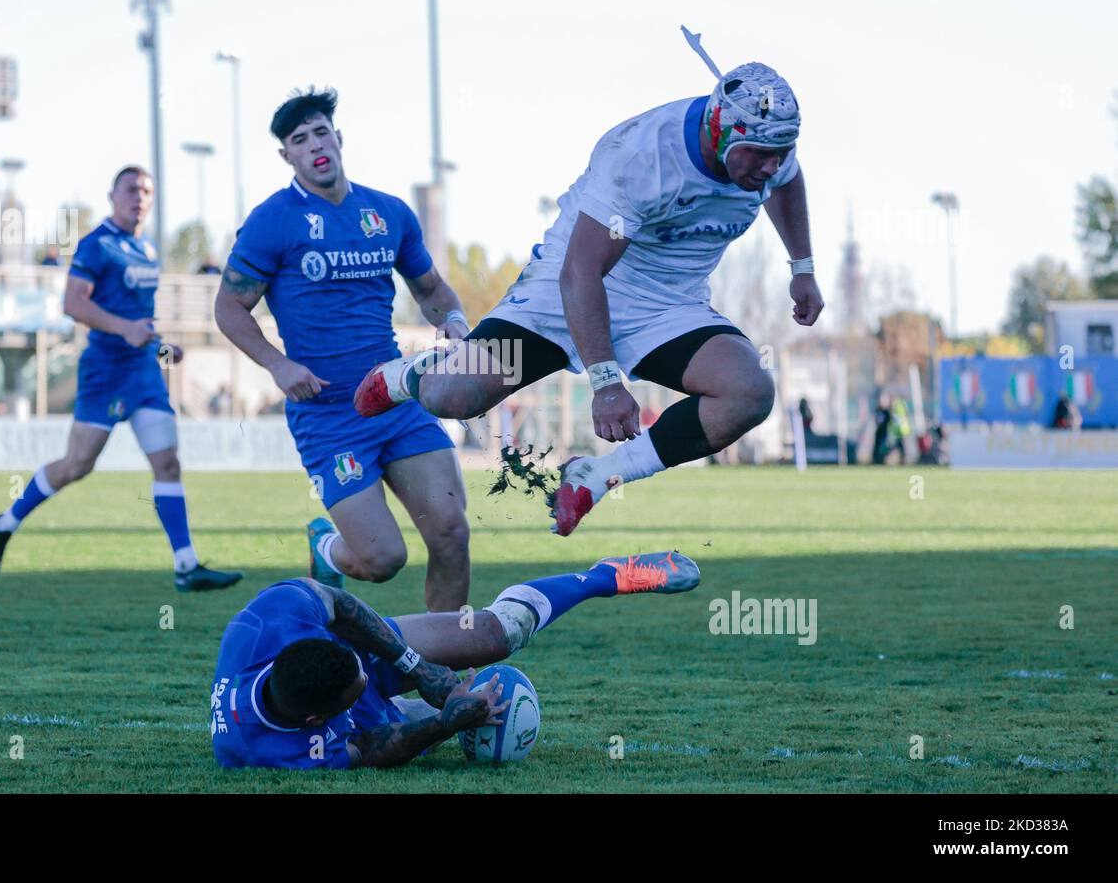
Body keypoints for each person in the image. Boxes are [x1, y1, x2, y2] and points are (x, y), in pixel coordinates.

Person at [356, 42, 822, 536]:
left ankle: (595, 477)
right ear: (720, 130)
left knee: (749, 392)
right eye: (763, 156)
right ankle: (421, 370)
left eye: (781, 154)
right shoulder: (643, 157)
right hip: (569, 290)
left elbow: (788, 182)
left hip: (666, 306)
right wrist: (605, 385)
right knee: (453, 395)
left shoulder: (765, 152)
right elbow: (582, 272)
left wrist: (803, 266)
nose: (772, 168)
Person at [215, 88, 473, 610]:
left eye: (320, 132)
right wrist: (278, 365)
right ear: (286, 155)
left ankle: (445, 671)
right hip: (328, 415)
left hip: (396, 399)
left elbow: (432, 292)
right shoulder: (273, 220)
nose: (314, 144)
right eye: (298, 139)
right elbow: (228, 309)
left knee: (451, 532)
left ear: (338, 139)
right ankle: (328, 550)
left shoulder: (388, 212)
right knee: (382, 561)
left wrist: (457, 324)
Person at [0, 165, 242, 592]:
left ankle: (185, 564)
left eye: (145, 190)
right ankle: (7, 521)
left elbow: (141, 324)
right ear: (112, 195)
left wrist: (162, 348)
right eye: (130, 189)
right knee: (77, 465)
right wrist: (124, 329)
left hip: (142, 372)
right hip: (103, 372)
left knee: (167, 462)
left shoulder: (150, 250)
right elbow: (72, 304)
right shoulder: (96, 245)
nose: (138, 196)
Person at [211, 549, 700, 770]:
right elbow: (372, 749)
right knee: (473, 712)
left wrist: (415, 667)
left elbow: (339, 604)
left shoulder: (263, 628)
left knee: (495, 633)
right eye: (357, 689)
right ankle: (437, 711)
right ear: (318, 720)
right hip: (360, 717)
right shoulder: (267, 756)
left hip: (351, 655)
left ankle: (608, 575)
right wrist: (445, 723)